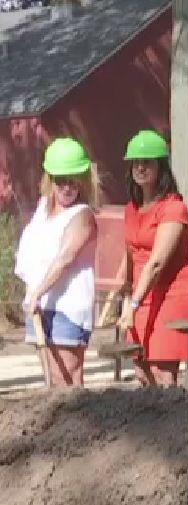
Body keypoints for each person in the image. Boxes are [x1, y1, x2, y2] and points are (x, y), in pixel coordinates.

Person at [118, 130, 188, 387]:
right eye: (136, 162)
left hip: (171, 297)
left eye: (147, 162)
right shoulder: (131, 209)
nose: (140, 168)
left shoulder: (174, 208)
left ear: (161, 167)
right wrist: (125, 292)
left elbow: (156, 263)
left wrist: (132, 304)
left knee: (163, 374)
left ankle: (172, 415)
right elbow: (131, 253)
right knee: (142, 372)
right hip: (140, 298)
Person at [14, 138, 97, 386]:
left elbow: (65, 258)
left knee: (66, 380)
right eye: (61, 180)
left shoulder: (82, 215)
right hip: (41, 306)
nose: (67, 187)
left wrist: (38, 292)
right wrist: (33, 293)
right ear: (50, 179)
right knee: (51, 382)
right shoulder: (42, 210)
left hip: (67, 308)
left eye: (73, 180)